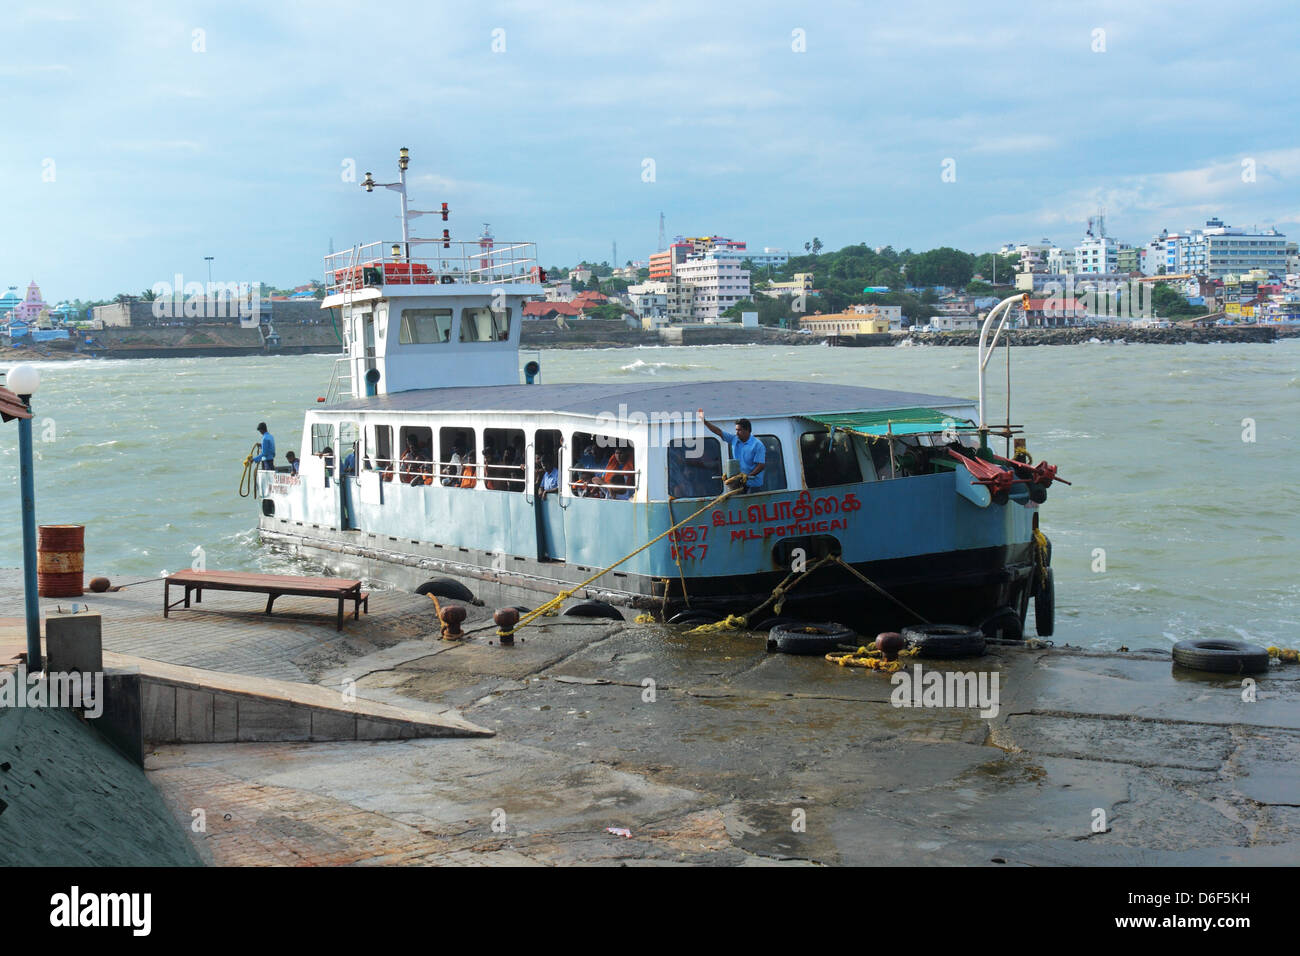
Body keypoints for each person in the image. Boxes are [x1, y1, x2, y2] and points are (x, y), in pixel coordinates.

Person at [699, 410, 765, 492]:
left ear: (747, 430)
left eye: (739, 430)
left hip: (754, 486)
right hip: (739, 484)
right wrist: (705, 422)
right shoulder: (734, 439)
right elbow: (718, 432)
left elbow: (761, 465)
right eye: (736, 430)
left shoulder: (758, 445)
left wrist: (747, 476)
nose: (737, 433)